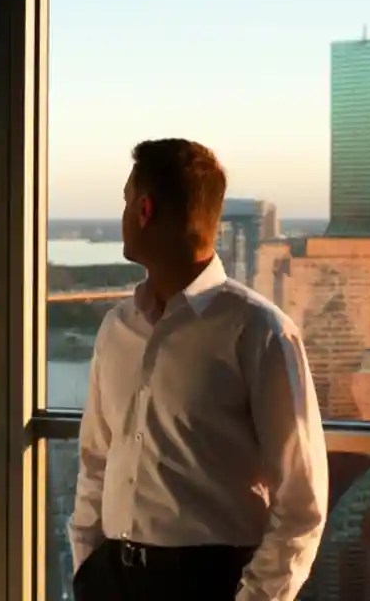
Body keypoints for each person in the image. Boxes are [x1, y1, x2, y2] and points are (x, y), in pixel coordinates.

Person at [70, 139, 328, 601]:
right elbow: (97, 458)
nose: (124, 214)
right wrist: (88, 566)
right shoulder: (117, 329)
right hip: (112, 579)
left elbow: (301, 501)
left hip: (209, 582)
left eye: (127, 200)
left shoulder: (259, 332)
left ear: (145, 209)